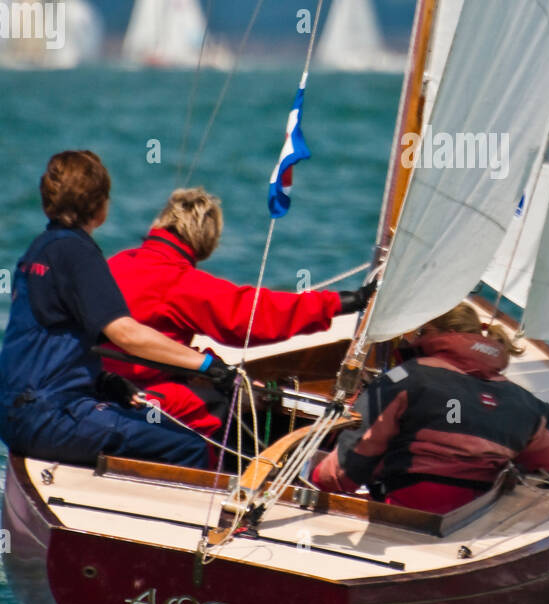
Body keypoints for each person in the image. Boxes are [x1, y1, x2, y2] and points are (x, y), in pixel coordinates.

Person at [0, 152, 225, 469]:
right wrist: (208, 366)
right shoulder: (79, 253)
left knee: (144, 426)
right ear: (100, 208)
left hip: (13, 413)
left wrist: (104, 382)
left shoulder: (38, 249)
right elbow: (126, 335)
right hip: (50, 416)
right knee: (190, 447)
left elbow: (48, 341)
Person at [104, 187, 374, 438]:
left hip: (100, 384)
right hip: (138, 394)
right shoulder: (178, 281)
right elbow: (253, 317)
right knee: (220, 401)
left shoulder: (117, 262)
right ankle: (205, 466)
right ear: (207, 237)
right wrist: (345, 302)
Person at [313, 302, 549, 513]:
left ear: (448, 333)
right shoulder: (528, 404)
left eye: (421, 331)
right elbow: (548, 459)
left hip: (407, 510)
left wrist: (319, 478)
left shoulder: (404, 380)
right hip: (474, 517)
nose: (413, 339)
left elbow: (352, 462)